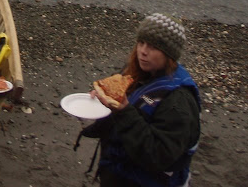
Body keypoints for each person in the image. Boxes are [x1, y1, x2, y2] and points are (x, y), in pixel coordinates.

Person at [77, 13, 201, 187]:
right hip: (117, 174)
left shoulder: (178, 101)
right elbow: (115, 122)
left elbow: (159, 156)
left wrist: (124, 112)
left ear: (169, 54)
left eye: (153, 46)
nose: (143, 51)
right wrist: (102, 103)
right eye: (141, 42)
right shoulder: (134, 73)